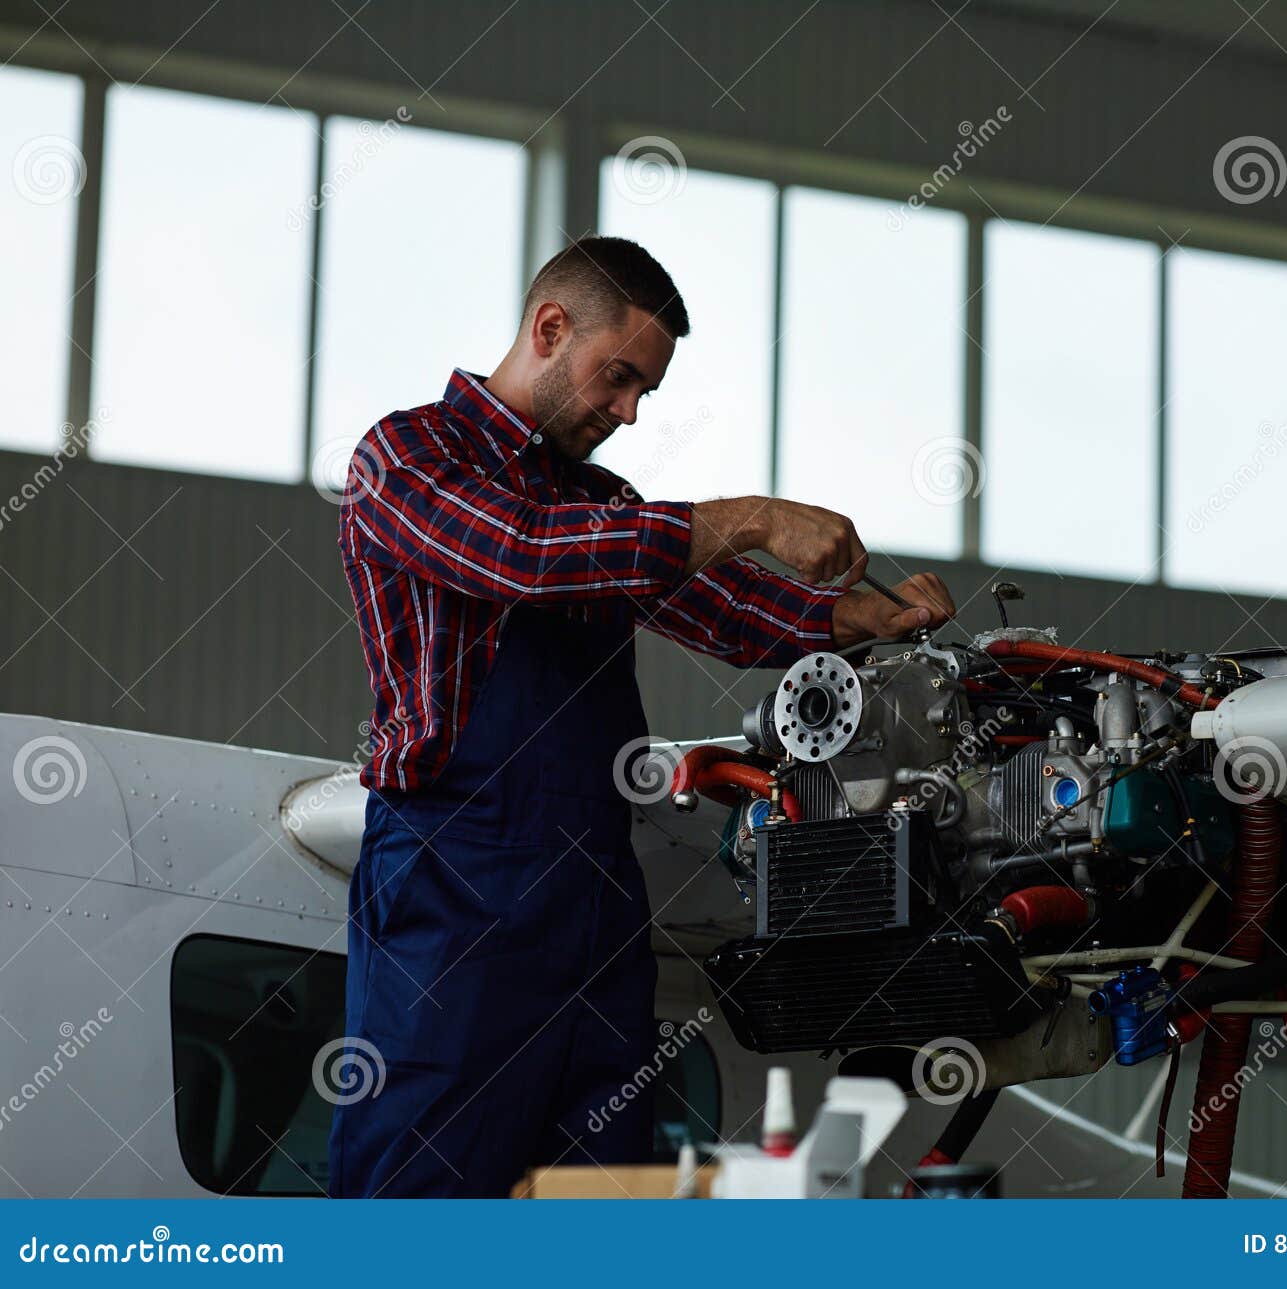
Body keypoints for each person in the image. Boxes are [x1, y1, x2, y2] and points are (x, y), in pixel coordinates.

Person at [329, 236, 955, 1196]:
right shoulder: (407, 456)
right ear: (549, 328)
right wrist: (750, 517)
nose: (624, 413)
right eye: (616, 378)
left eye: (641, 396)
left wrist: (856, 617)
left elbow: (722, 608)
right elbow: (525, 557)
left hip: (594, 897)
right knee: (422, 1198)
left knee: (605, 1201)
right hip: (453, 891)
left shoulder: (600, 505)